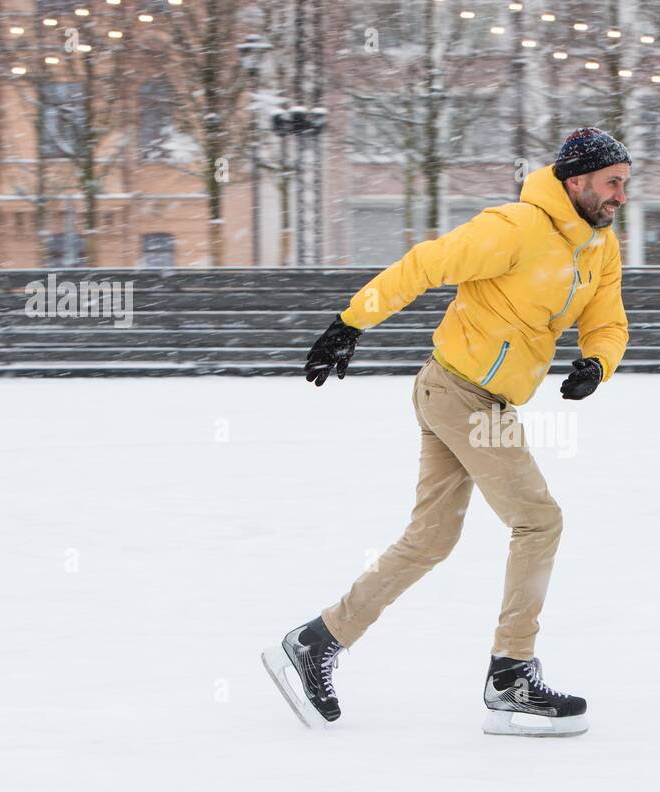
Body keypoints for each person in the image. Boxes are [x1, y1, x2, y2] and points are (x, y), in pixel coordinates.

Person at [262, 128, 631, 737]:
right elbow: (426, 264)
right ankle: (511, 673)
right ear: (577, 181)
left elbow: (608, 319)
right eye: (612, 181)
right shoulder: (516, 228)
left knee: (430, 539)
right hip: (461, 396)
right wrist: (351, 322)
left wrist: (598, 361)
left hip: (472, 396)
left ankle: (315, 641)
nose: (621, 194)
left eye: (624, 182)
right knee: (539, 519)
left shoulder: (599, 248)